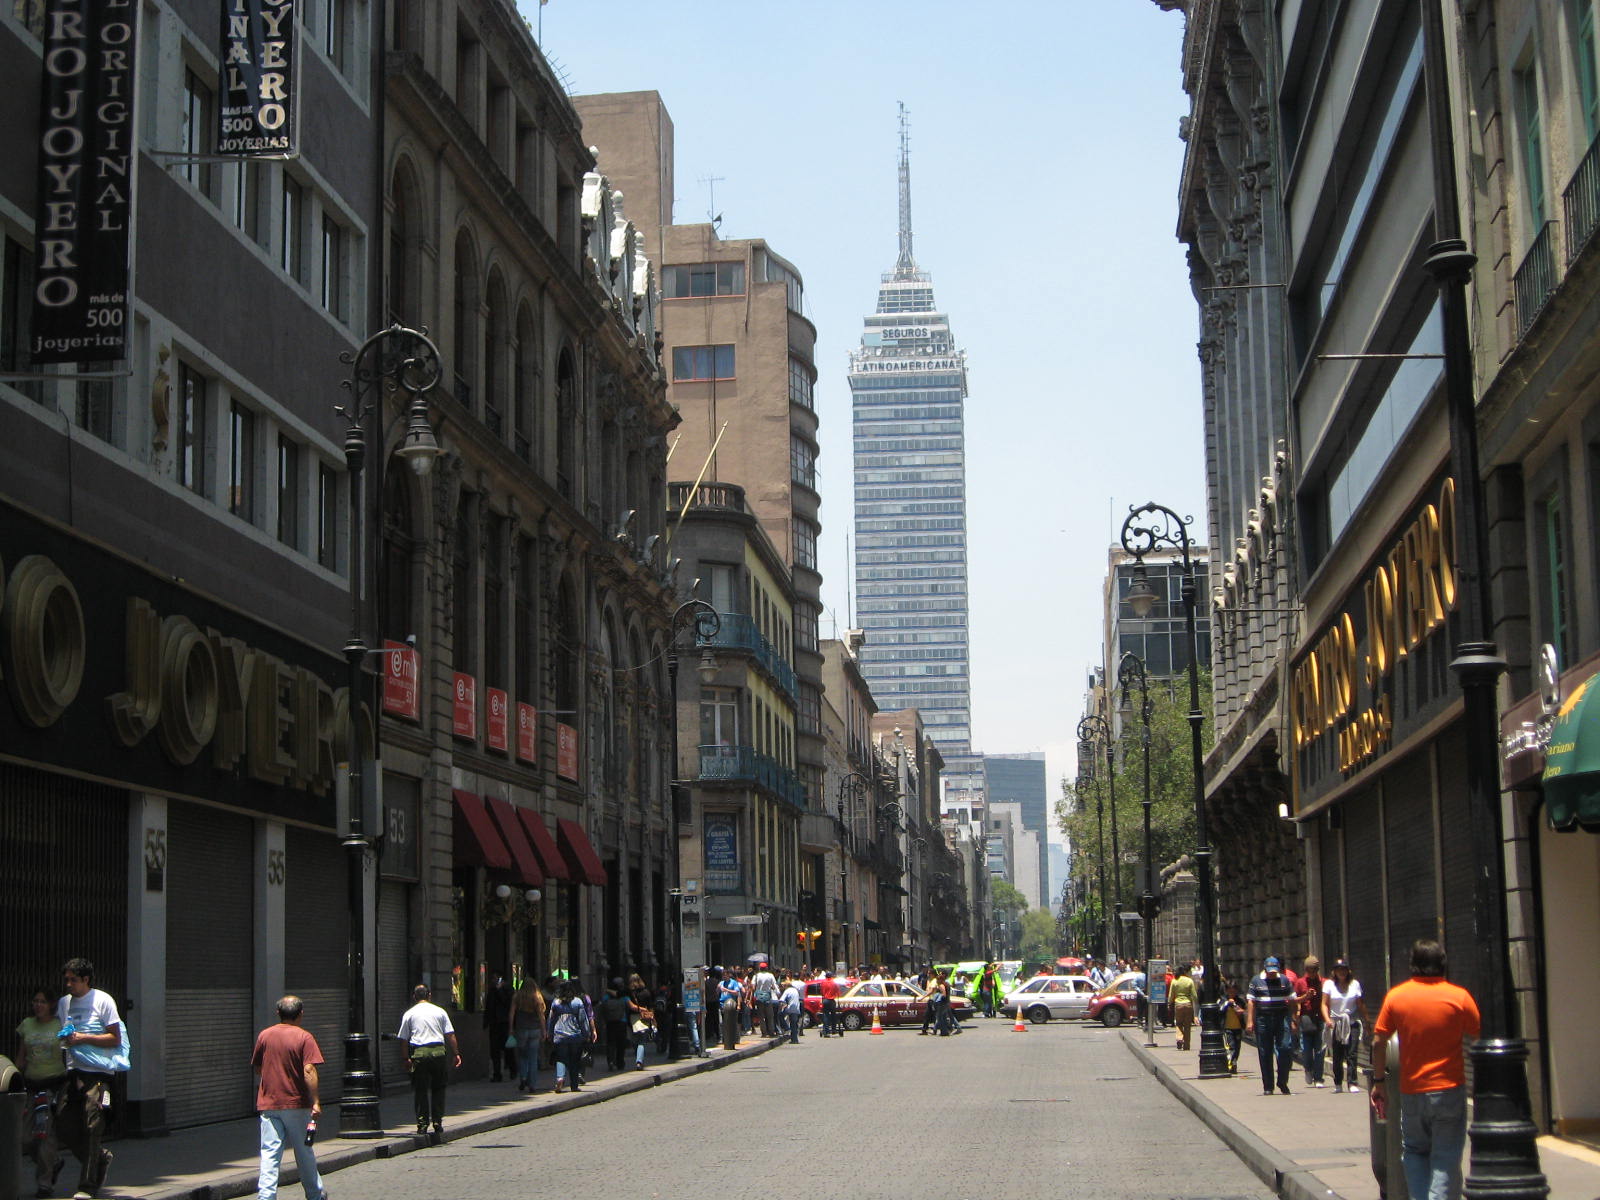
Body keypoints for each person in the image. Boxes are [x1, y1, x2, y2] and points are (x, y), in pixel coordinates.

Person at [1371, 939, 1480, 1200]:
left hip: (1412, 1091)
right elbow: (1479, 1038)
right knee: (1446, 1158)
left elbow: (1378, 1042)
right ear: (1443, 964)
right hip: (1449, 1089)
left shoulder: (1397, 997)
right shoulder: (1459, 997)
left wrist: (1379, 1082)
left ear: (1413, 966)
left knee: (1414, 1152)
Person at [50, 958, 123, 1200]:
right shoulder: (64, 1003)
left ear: (86, 980)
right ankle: (99, 1158)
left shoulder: (103, 1001)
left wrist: (83, 1038)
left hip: (99, 1074)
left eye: (73, 980)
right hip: (74, 1072)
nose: (69, 984)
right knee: (63, 1123)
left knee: (93, 1126)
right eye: (67, 980)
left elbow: (115, 1038)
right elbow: (65, 1037)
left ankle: (87, 1185)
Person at [250, 995, 327, 1200]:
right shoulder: (304, 1037)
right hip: (296, 1103)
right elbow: (309, 1070)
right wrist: (316, 1101)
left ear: (278, 1013)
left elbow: (258, 1067)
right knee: (304, 1152)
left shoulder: (265, 1036)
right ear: (301, 1014)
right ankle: (314, 1194)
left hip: (269, 1103)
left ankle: (266, 1196)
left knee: (269, 1153)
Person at [17, 988, 66, 1199]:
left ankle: (44, 1184)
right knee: (25, 1138)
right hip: (31, 1086)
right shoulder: (27, 1025)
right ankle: (53, 1163)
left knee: (44, 1136)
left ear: (51, 1005)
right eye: (35, 1001)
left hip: (52, 1086)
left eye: (42, 1002)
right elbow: (22, 1057)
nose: (38, 1005)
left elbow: (68, 1054)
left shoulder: (59, 1026)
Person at [396, 984, 460, 1138]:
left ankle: (422, 1124)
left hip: (419, 1053)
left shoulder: (409, 1014)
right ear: (429, 995)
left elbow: (403, 1040)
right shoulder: (440, 1012)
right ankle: (437, 1121)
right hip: (438, 1052)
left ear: (414, 997)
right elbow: (450, 1035)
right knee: (439, 1087)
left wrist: (406, 1058)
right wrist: (456, 1053)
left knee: (421, 1089)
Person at [1246, 955, 1298, 1095]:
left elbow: (1292, 1000)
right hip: (1263, 1019)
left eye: (1275, 971)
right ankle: (1268, 1086)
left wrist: (1294, 1019)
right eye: (1270, 971)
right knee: (1265, 1052)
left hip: (1281, 1017)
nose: (1272, 974)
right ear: (1265, 969)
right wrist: (1250, 1021)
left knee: (1285, 1048)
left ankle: (1282, 1081)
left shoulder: (1284, 980)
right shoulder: (1256, 981)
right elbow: (1251, 1002)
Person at [1322, 958, 1368, 1093]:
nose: (1341, 972)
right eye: (1338, 970)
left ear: (1348, 971)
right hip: (1336, 1023)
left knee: (1352, 1053)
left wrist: (1367, 1021)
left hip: (1352, 1022)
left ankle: (1352, 1082)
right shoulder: (1329, 985)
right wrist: (1327, 1019)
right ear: (1334, 972)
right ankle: (1338, 1082)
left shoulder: (1355, 984)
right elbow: (1324, 1004)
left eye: (1343, 969)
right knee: (1337, 1054)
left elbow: (1360, 1004)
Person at [546, 979, 592, 1093]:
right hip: (575, 1035)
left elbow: (551, 1020)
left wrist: (550, 1033)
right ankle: (574, 1085)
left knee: (561, 1058)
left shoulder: (556, 1003)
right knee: (574, 1060)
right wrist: (586, 1033)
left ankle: (560, 1078)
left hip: (560, 1035)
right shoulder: (577, 1002)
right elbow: (582, 1020)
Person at [1296, 956, 1328, 1086]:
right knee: (1307, 1048)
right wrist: (1306, 997)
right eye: (1309, 970)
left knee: (1320, 1049)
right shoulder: (1300, 982)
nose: (1312, 973)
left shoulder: (1324, 982)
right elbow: (1295, 1000)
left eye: (1314, 970)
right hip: (1306, 1017)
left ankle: (1318, 1077)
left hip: (1320, 1017)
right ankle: (1308, 1069)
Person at [510, 979, 546, 1094]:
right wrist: (544, 1030)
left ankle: (523, 1077)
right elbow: (541, 1016)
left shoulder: (517, 997)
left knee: (522, 1056)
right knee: (533, 1057)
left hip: (521, 1029)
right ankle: (533, 1084)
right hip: (535, 1030)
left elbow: (511, 1013)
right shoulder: (537, 997)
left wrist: (510, 1028)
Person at [482, 974, 514, 1083]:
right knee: (494, 1050)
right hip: (494, 1023)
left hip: (504, 1023)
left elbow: (507, 1003)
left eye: (495, 978)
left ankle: (513, 1068)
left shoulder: (508, 989)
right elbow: (488, 1006)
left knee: (508, 1049)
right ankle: (497, 1074)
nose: (493, 981)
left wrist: (500, 990)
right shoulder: (491, 991)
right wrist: (486, 1021)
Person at [598, 979, 630, 1072]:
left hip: (610, 1023)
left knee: (611, 1043)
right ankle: (620, 1062)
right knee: (621, 1044)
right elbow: (629, 1007)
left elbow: (602, 1010)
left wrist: (603, 1021)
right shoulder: (624, 997)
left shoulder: (606, 998)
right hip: (621, 1022)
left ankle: (611, 1061)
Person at [626, 973, 655, 1070]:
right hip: (644, 1018)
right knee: (642, 1041)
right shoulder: (646, 992)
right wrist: (652, 1017)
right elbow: (650, 1006)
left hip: (632, 1018)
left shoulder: (629, 993)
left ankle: (637, 1055)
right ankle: (639, 1061)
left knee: (635, 1040)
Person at [1218, 980, 1246, 1074]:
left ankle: (1234, 1062)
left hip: (1238, 1028)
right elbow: (1219, 1010)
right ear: (1226, 991)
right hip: (1227, 1028)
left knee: (1237, 1048)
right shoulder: (1223, 999)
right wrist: (1227, 1004)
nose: (1231, 993)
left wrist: (1240, 1011)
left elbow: (1245, 1011)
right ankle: (1230, 1065)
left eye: (1233, 991)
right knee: (1231, 1047)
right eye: (1230, 991)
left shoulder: (1240, 1000)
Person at [1168, 963, 1198, 1051]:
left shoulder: (1174, 981)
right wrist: (1196, 1003)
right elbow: (1194, 995)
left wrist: (1169, 1003)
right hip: (1188, 1004)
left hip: (1178, 1004)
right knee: (1187, 1025)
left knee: (1179, 1023)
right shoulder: (1189, 981)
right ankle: (1186, 1046)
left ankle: (1180, 1038)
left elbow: (1171, 995)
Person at [717, 968, 744, 1050]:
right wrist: (718, 989)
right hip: (722, 1004)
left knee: (732, 1022)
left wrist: (727, 990)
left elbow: (736, 992)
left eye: (725, 975)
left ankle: (734, 1038)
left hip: (731, 1005)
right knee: (722, 1022)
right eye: (723, 975)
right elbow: (717, 992)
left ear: (729, 975)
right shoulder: (721, 983)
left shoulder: (733, 982)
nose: (724, 977)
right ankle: (724, 1038)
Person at [750, 962, 777, 1037]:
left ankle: (764, 1032)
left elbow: (753, 986)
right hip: (767, 996)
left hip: (759, 997)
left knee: (761, 1017)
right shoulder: (770, 975)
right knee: (770, 1016)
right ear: (766, 968)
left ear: (760, 968)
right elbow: (774, 986)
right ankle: (771, 1032)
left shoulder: (756, 976)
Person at [778, 975, 802, 1044]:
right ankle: (795, 1039)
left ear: (786, 986)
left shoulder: (787, 991)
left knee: (780, 1015)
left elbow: (781, 1000)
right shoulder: (795, 990)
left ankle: (786, 1028)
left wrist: (784, 1005)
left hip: (790, 1008)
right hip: (797, 1009)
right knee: (794, 1024)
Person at [818, 972, 842, 1038]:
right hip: (832, 1000)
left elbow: (822, 992)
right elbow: (838, 992)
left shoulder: (823, 982)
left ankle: (826, 1031)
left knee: (826, 1015)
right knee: (833, 1015)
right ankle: (834, 1030)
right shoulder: (834, 983)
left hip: (825, 1000)